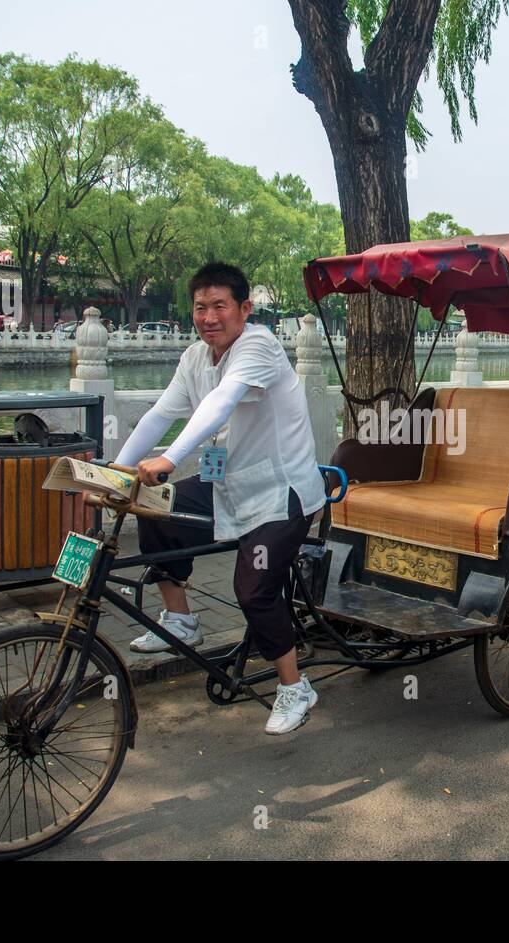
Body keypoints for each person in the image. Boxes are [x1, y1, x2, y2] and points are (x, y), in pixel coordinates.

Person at [115, 262, 327, 735]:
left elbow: (221, 403)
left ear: (244, 309)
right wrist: (118, 472)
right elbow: (159, 413)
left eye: (220, 306)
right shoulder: (195, 357)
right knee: (153, 504)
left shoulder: (259, 346)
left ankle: (294, 687)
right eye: (200, 308)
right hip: (226, 485)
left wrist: (169, 458)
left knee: (253, 590)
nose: (209, 317)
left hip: (282, 494)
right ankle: (181, 620)